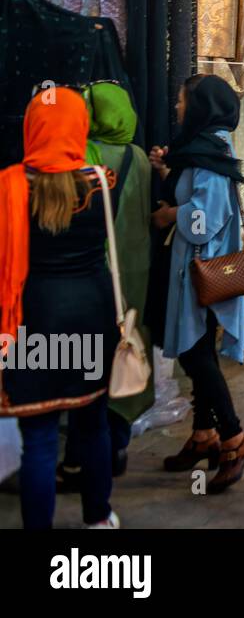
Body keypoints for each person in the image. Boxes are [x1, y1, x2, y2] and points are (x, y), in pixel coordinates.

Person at [0, 89, 120, 528]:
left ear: (32, 126)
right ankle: (98, 518)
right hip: (90, 315)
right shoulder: (102, 181)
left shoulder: (9, 186)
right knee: (92, 426)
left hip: (34, 323)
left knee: (40, 439)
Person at [149, 74, 244, 492]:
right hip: (198, 268)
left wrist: (169, 216)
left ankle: (234, 438)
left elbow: (205, 218)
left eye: (181, 100)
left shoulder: (207, 149)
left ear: (199, 107)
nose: (177, 107)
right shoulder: (208, 146)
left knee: (196, 356)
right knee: (200, 350)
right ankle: (203, 435)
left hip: (198, 271)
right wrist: (169, 169)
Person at [58, 83, 153, 490]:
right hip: (137, 272)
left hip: (98, 273)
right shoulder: (141, 158)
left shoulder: (84, 157)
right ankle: (116, 446)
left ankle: (81, 461)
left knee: (89, 369)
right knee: (125, 350)